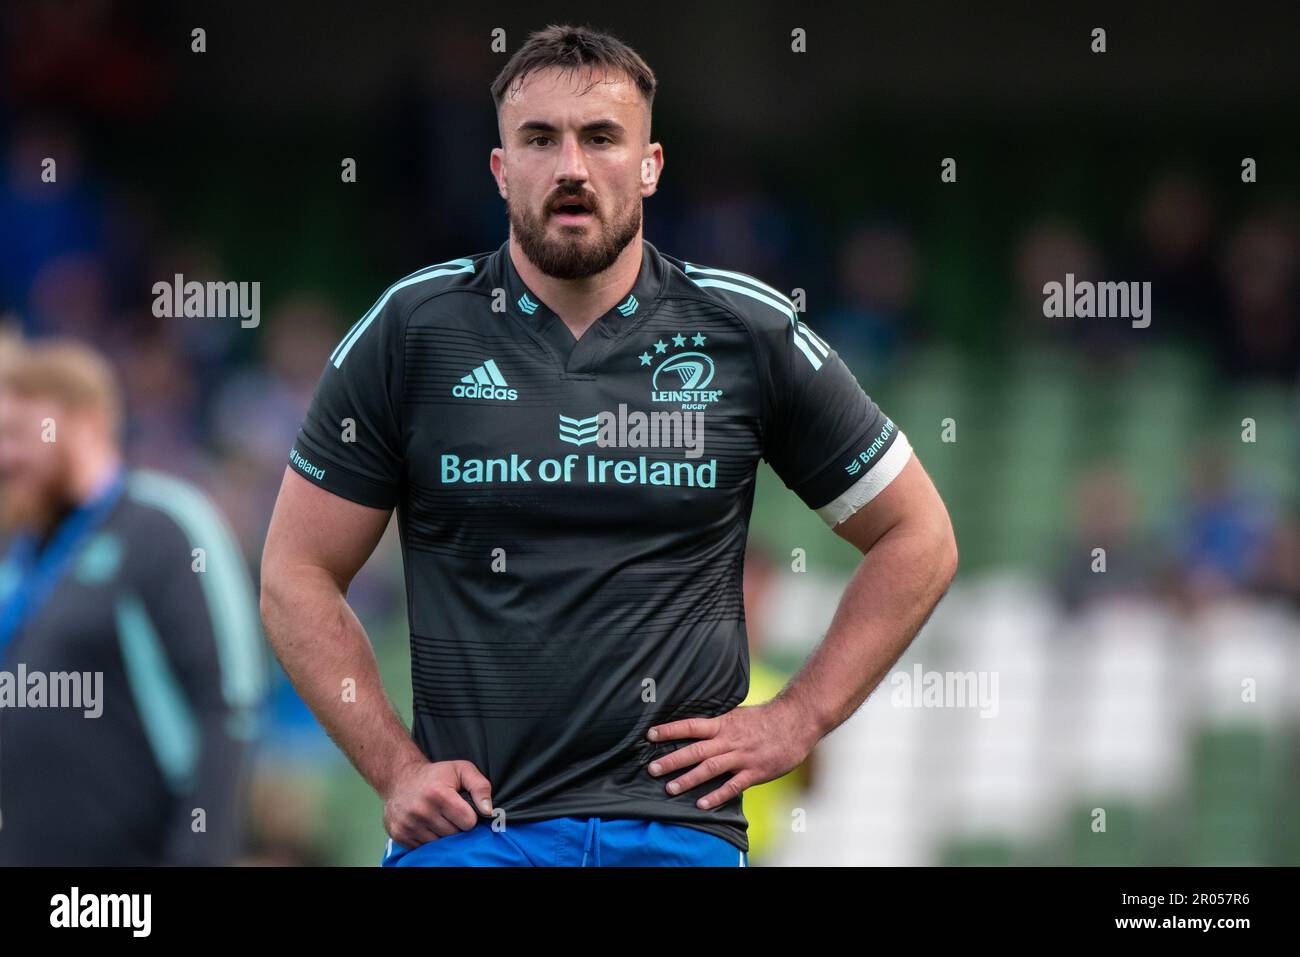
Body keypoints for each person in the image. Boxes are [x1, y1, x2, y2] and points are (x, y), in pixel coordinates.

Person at [260, 23, 957, 867]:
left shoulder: (745, 329)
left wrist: (798, 716)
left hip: (675, 838)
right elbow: (295, 572)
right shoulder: (413, 331)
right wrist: (394, 768)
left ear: (651, 164)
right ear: (500, 167)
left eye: (600, 138)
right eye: (539, 139)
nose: (571, 168)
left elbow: (919, 536)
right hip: (472, 836)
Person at [0, 339, 266, 865]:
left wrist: (200, 854)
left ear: (86, 422)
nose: (5, 456)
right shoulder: (19, 559)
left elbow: (227, 703)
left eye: (19, 433)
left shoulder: (165, 524)